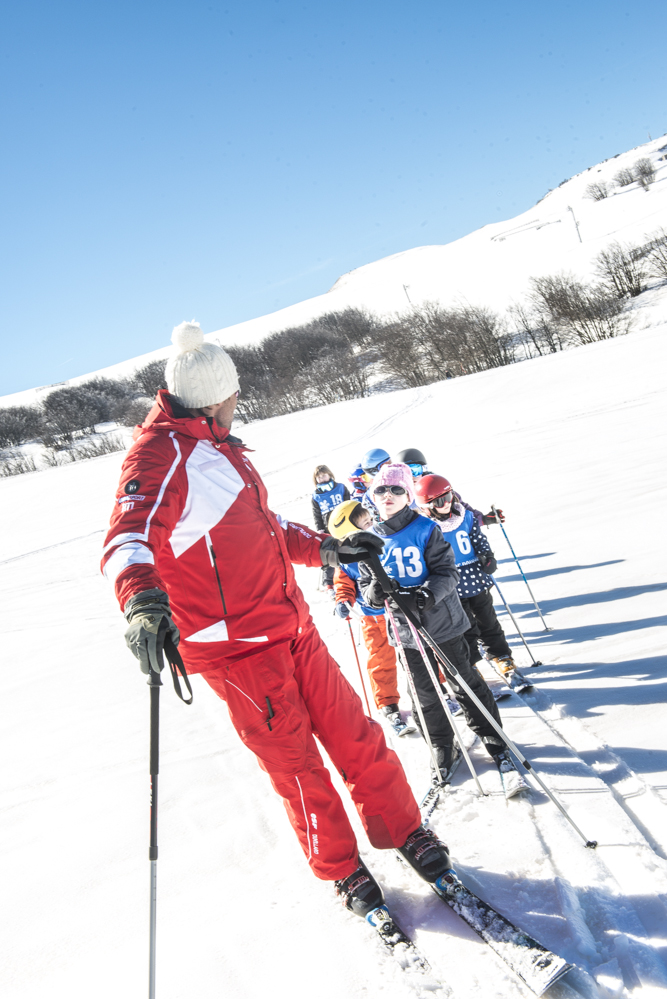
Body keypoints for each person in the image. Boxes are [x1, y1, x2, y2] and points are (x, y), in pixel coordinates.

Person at [102, 321, 452, 918]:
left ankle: (404, 829)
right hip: (237, 652)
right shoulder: (160, 455)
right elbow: (124, 540)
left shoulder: (217, 448)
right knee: (297, 768)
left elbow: (263, 530)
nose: (239, 406)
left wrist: (329, 548)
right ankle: (342, 867)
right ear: (217, 399)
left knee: (357, 736)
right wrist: (141, 600)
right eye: (236, 396)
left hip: (292, 630)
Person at [358, 462, 521, 785]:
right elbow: (367, 590)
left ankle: (494, 739)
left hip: (441, 623)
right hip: (405, 632)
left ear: (408, 496)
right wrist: (376, 591)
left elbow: (447, 572)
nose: (387, 495)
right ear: (372, 496)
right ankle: (442, 746)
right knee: (424, 694)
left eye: (396, 490)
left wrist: (425, 596)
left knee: (465, 683)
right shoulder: (368, 540)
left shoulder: (425, 528)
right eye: (381, 490)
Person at [414, 474, 516, 677]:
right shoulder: (425, 528)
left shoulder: (466, 516)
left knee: (488, 620)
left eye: (450, 496)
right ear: (426, 505)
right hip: (452, 586)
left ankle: (501, 654)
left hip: (476, 578)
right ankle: (471, 663)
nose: (448, 503)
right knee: (464, 627)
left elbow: (478, 539)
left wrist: (487, 556)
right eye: (441, 501)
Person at [328, 500, 411, 735]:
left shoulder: (383, 542)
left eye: (371, 521)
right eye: (365, 525)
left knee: (414, 651)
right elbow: (343, 583)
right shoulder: (345, 559)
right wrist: (343, 600)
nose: (372, 527)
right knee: (381, 660)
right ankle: (388, 703)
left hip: (399, 612)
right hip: (372, 618)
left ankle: (438, 690)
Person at [394, 447, 504, 527]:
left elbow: (459, 509)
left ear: (424, 469)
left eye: (415, 470)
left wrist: (483, 520)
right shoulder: (397, 496)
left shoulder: (436, 488)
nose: (411, 476)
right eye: (404, 472)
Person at [312, 465, 350, 595]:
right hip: (329, 528)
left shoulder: (341, 488)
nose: (321, 479)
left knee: (347, 549)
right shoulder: (316, 496)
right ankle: (328, 583)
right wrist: (320, 529)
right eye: (318, 478)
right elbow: (316, 514)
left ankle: (350, 575)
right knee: (328, 553)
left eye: (323, 475)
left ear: (329, 474)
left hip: (344, 525)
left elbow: (349, 504)